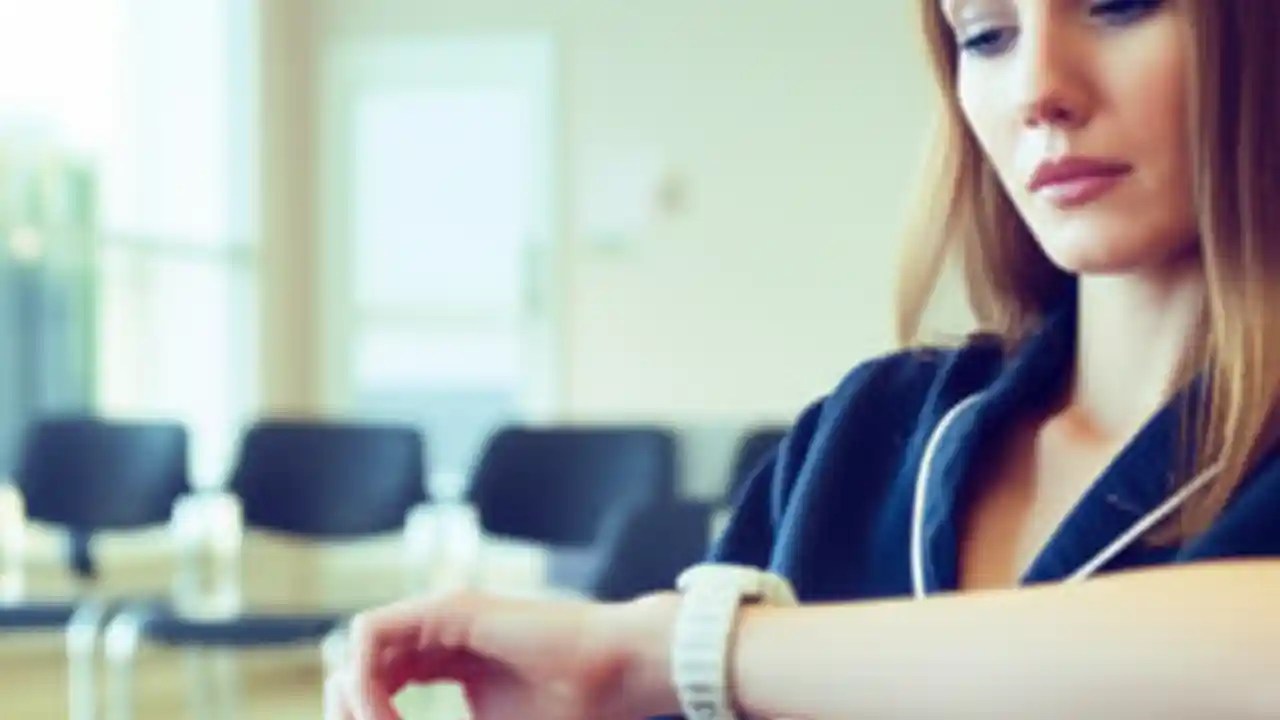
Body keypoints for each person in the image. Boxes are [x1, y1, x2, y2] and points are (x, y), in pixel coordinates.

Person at [326, 1, 1280, 718]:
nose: (1039, 89)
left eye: (1118, 2)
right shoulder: (868, 430)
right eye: (985, 33)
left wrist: (686, 652)